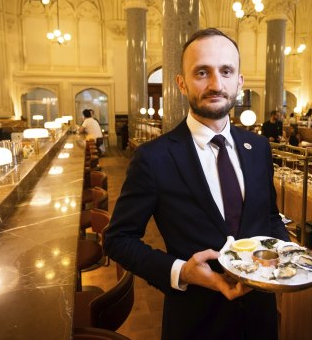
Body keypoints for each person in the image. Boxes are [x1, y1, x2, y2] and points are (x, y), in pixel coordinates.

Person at [104, 28, 289, 340]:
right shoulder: (154, 158)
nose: (216, 84)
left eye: (226, 71)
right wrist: (180, 271)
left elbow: (269, 217)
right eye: (202, 72)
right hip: (196, 321)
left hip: (260, 318)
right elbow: (118, 239)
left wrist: (290, 254)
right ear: (181, 83)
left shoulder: (258, 148)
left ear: (239, 82)